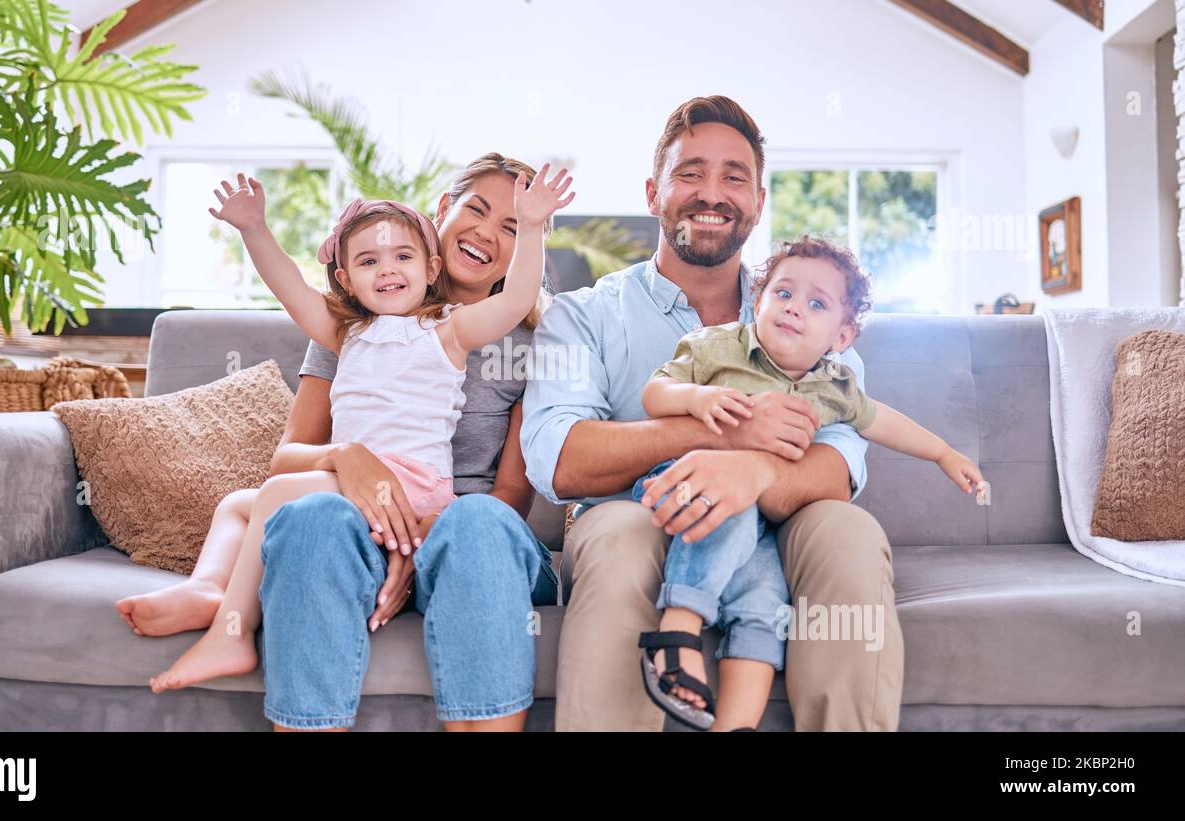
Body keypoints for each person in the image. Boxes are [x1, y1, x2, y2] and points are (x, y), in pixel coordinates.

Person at [521, 96, 905, 731]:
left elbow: (836, 468)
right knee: (619, 535)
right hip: (638, 514)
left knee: (847, 530)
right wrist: (718, 431)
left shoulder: (809, 316)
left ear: (756, 200)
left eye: (734, 176)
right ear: (653, 192)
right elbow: (558, 461)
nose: (712, 193)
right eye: (690, 172)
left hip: (777, 529)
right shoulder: (584, 314)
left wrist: (752, 475)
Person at [139, 164, 573, 695]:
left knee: (277, 496)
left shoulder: (461, 333)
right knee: (242, 502)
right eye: (477, 210)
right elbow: (292, 291)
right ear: (444, 210)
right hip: (353, 504)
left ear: (427, 262)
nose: (487, 231)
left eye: (509, 225)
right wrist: (254, 230)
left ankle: (233, 623)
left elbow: (514, 302)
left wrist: (533, 227)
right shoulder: (352, 329)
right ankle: (210, 590)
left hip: (445, 514)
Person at [634, 234, 984, 730]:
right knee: (730, 503)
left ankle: (734, 725)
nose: (794, 308)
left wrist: (944, 453)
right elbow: (654, 393)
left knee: (767, 599)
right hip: (692, 486)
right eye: (783, 293)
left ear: (840, 338)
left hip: (758, 519)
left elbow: (881, 420)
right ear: (758, 301)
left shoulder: (835, 385)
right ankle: (676, 633)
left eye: (816, 303)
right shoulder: (717, 346)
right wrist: (695, 399)